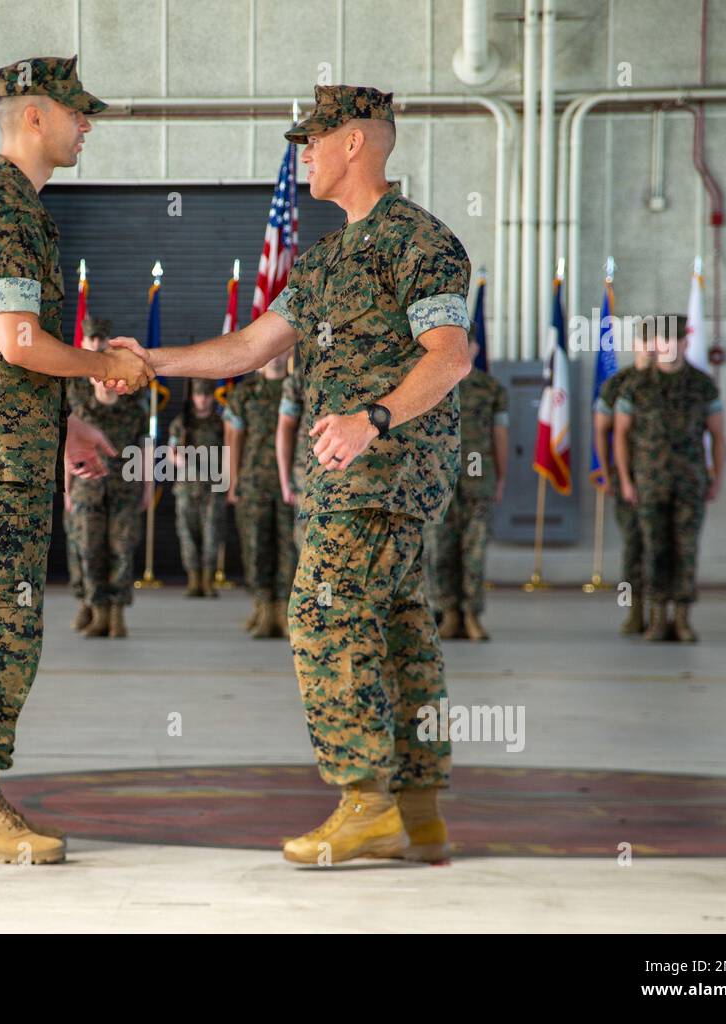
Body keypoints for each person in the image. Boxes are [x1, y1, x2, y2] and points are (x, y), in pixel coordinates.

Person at [106, 84, 471, 865]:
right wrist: (150, 361)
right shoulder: (328, 259)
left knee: (321, 613)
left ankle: (363, 798)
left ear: (354, 145)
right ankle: (419, 808)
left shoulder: (419, 241)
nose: (302, 151)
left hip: (387, 473)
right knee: (400, 622)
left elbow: (451, 356)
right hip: (351, 478)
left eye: (313, 138)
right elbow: (249, 347)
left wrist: (373, 418)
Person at [0, 55, 152, 865]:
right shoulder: (7, 210)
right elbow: (20, 345)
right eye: (76, 112)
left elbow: (2, 357)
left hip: (5, 445)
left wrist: (70, 430)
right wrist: (105, 367)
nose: (85, 124)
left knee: (4, 614)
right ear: (33, 117)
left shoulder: (17, 207)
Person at [614, 315, 725, 642]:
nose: (669, 346)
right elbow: (620, 435)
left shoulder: (702, 384)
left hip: (690, 484)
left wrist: (716, 477)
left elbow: (718, 435)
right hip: (649, 483)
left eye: (676, 340)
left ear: (685, 343)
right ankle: (657, 616)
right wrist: (625, 479)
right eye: (664, 340)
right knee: (654, 549)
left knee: (687, 550)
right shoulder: (636, 385)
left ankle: (683, 618)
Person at [66, 317, 151, 637]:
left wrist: (147, 488)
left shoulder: (133, 409)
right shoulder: (81, 409)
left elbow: (144, 449)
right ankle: (96, 609)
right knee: (88, 549)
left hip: (125, 490)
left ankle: (116, 614)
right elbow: (69, 451)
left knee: (122, 549)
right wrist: (66, 489)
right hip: (87, 489)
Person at [424, 331, 508, 641]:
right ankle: (448, 613)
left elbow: (500, 436)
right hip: (438, 482)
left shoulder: (490, 389)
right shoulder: (428, 381)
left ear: (475, 347)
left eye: (467, 342)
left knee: (474, 551)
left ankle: (472, 614)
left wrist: (500, 478)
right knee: (439, 550)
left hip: (478, 481)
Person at [225, 352, 295, 638]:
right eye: (272, 350)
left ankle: (284, 612)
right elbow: (233, 438)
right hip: (254, 482)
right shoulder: (246, 392)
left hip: (291, 484)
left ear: (290, 352)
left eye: (282, 350)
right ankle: (263, 608)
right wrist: (233, 482)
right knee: (256, 548)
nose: (276, 357)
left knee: (290, 549)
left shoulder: (298, 387)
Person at [592, 329, 652, 633]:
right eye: (645, 342)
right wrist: (606, 471)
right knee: (633, 547)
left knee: (663, 548)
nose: (651, 348)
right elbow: (601, 430)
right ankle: (634, 610)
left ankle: (661, 610)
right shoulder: (618, 384)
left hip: (663, 480)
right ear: (635, 345)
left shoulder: (670, 380)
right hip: (628, 480)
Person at [169, 378, 226, 597]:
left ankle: (208, 580)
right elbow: (171, 452)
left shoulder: (220, 422)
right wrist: (178, 459)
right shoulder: (181, 423)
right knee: (187, 534)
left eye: (206, 395)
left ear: (212, 396)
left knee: (213, 533)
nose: (202, 399)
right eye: (198, 395)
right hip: (186, 486)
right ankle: (193, 580)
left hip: (213, 487)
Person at [276, 359, 313, 554]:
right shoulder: (300, 376)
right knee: (306, 548)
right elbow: (286, 427)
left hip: (358, 477)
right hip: (306, 477)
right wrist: (285, 482)